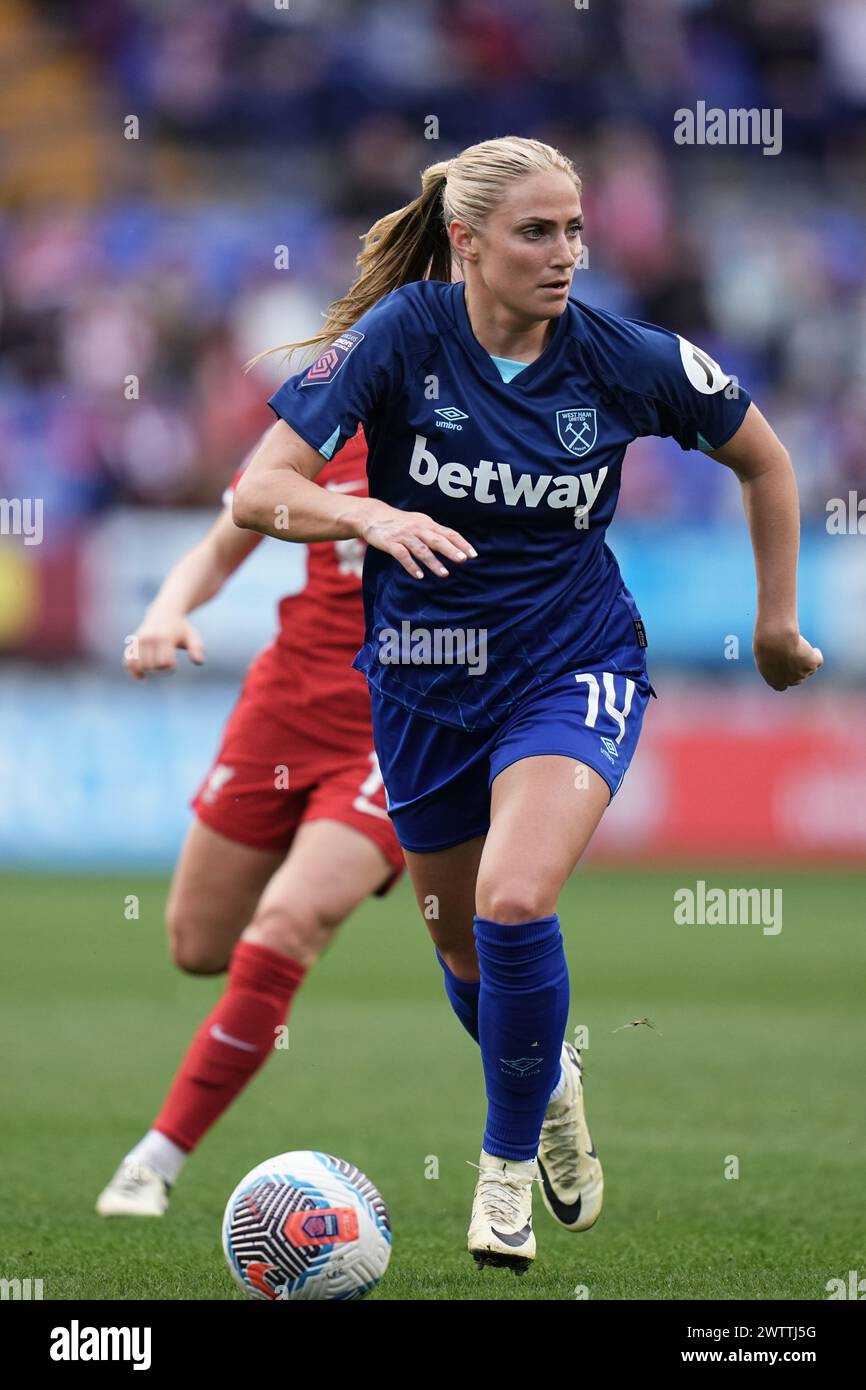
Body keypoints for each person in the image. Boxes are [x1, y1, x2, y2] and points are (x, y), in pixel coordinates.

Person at [232, 136, 823, 1272]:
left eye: (574, 229)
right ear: (465, 241)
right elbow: (258, 488)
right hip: (418, 683)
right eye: (536, 232)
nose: (567, 254)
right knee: (469, 966)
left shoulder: (622, 356)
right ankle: (550, 1082)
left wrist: (772, 621)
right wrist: (366, 518)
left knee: (511, 903)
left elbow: (765, 463)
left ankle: (500, 1181)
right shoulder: (404, 336)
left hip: (570, 663)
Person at [96, 427, 404, 1216]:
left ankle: (152, 1162)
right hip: (288, 706)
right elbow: (219, 546)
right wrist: (165, 610)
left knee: (286, 923)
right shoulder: (327, 417)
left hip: (405, 722)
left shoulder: (495, 426)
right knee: (198, 944)